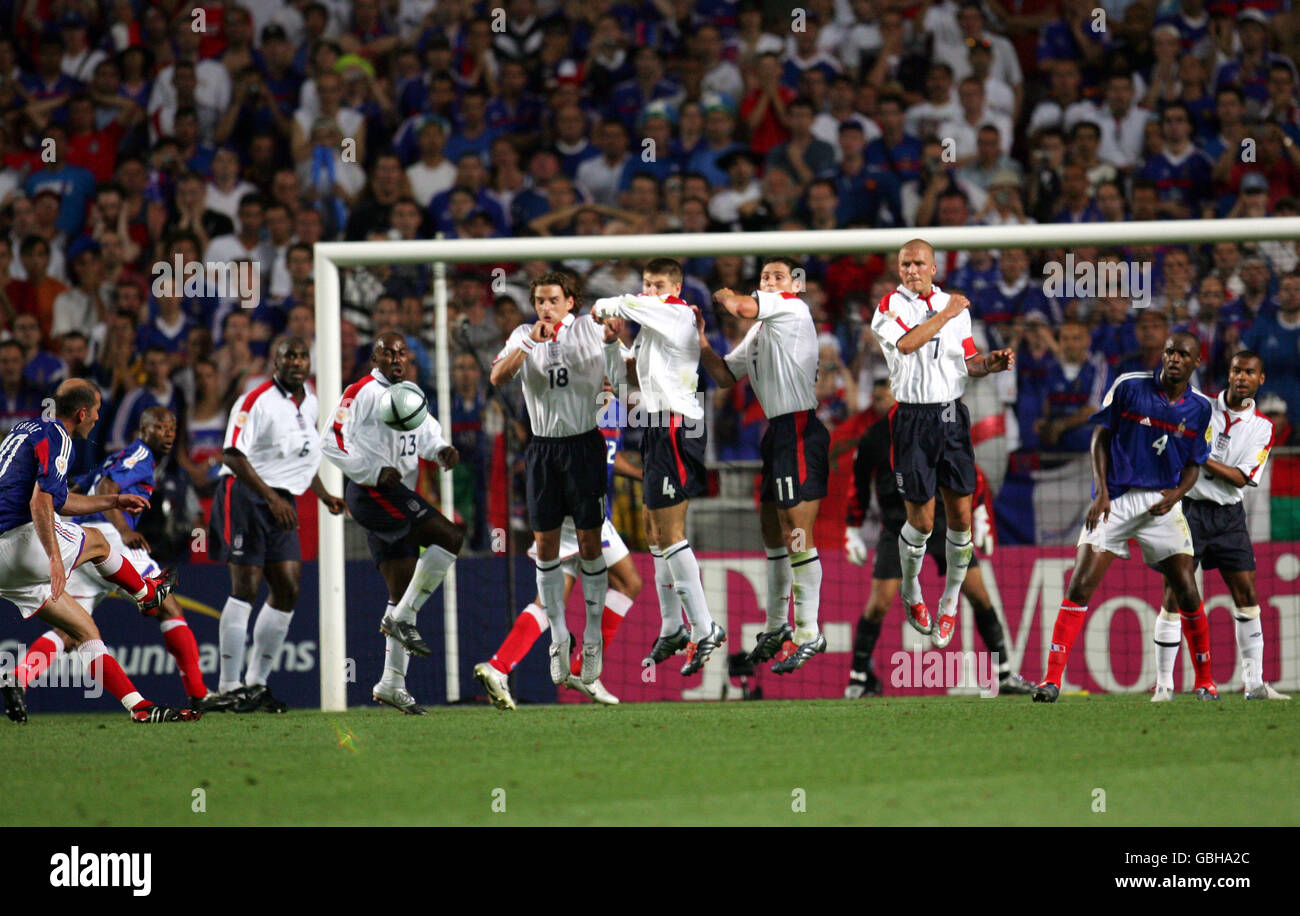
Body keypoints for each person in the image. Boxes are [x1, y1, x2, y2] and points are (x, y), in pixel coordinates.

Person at [1033, 332, 1216, 703]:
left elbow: (1195, 464)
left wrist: (1177, 496)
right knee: (1080, 585)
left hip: (1161, 504)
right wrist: (1101, 491)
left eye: (1183, 354)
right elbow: (1100, 436)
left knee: (1186, 587)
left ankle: (1205, 681)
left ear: (1196, 362)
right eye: (1169, 352)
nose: (1174, 358)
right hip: (1115, 498)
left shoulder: (1201, 408)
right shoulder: (1130, 386)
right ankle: (1051, 681)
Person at [13, 407, 233, 712]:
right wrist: (123, 531)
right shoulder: (139, 456)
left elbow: (76, 488)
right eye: (160, 427)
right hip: (106, 537)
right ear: (143, 430)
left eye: (172, 428)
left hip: (78, 544)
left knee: (72, 629)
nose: (168, 433)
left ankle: (20, 676)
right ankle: (198, 693)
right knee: (167, 605)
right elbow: (107, 489)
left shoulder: (114, 458)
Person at [0, 379, 193, 724]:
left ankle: (139, 707)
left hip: (5, 564)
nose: (98, 418)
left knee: (84, 629)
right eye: (97, 411)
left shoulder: (24, 429)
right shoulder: (59, 436)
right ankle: (146, 593)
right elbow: (41, 500)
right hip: (21, 539)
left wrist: (114, 501)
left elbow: (61, 499)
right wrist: (55, 558)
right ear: (82, 412)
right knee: (100, 542)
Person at [843, 381, 1035, 696]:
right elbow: (858, 485)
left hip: (944, 521)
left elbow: (967, 470)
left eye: (884, 392)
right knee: (878, 604)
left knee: (980, 596)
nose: (879, 398)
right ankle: (858, 678)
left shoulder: (935, 421)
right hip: (898, 527)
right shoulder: (873, 437)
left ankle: (1004, 674)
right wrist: (852, 528)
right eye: (875, 394)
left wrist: (981, 511)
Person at [869, 239, 1014, 649]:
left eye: (919, 263)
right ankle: (912, 589)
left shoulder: (955, 310)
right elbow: (908, 344)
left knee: (962, 520)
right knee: (922, 523)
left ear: (933, 268)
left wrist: (991, 364)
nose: (911, 270)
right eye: (905, 264)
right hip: (913, 419)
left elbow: (967, 362)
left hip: (952, 417)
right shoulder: (890, 307)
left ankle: (949, 602)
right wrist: (947, 311)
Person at [696, 256, 831, 673]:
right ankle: (776, 627)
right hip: (777, 434)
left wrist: (720, 291)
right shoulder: (759, 330)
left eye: (778, 276)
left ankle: (809, 631)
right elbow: (723, 376)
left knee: (796, 529)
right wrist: (701, 341)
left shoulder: (792, 306)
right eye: (765, 276)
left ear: (792, 282)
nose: (770, 281)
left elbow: (740, 306)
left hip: (800, 428)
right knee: (772, 531)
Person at [490, 271, 625, 686]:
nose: (545, 308)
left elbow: (624, 383)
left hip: (584, 446)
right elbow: (498, 378)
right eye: (539, 301)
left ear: (571, 301)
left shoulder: (590, 329)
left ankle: (593, 637)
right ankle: (559, 638)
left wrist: (615, 344)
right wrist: (531, 340)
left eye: (553, 300)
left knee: (589, 546)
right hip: (543, 451)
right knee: (546, 549)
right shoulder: (521, 335)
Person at [592, 258, 726, 676]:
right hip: (654, 425)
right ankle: (672, 626)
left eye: (658, 283)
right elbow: (629, 381)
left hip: (676, 427)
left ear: (676, 286)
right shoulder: (654, 329)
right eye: (646, 283)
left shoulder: (677, 312)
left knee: (670, 534)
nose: (650, 290)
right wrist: (615, 345)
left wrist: (605, 309)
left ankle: (705, 627)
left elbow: (606, 303)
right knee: (652, 530)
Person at [320, 332, 462, 715]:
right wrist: (371, 470)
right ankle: (397, 620)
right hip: (372, 493)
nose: (397, 358)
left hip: (395, 495)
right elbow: (330, 442)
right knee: (450, 536)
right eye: (388, 352)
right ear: (375, 357)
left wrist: (442, 449)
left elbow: (425, 433)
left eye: (402, 352)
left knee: (402, 590)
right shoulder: (361, 391)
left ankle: (391, 684)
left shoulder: (411, 391)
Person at [474, 387, 643, 708]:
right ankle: (580, 670)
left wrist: (637, 473)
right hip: (576, 510)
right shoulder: (575, 401)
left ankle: (499, 666)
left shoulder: (615, 405)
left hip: (592, 507)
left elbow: (609, 454)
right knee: (627, 582)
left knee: (553, 602)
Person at [208, 337, 345, 713]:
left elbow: (306, 455)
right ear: (276, 362)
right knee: (246, 587)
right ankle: (228, 686)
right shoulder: (254, 401)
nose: (297, 363)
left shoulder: (311, 399)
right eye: (290, 357)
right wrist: (270, 498)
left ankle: (256, 682)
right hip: (247, 496)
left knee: (287, 587)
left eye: (302, 356)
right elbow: (232, 455)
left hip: (282, 500)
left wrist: (323, 493)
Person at [1157, 351, 1289, 700]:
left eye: (1249, 372)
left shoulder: (1263, 427)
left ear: (1260, 379)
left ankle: (1254, 684)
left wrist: (1203, 458)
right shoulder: (1201, 408)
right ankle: (1164, 686)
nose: (1241, 377)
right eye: (1236, 371)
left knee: (1247, 595)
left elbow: (1241, 479)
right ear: (1228, 374)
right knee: (1173, 595)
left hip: (1229, 517)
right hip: (1189, 512)